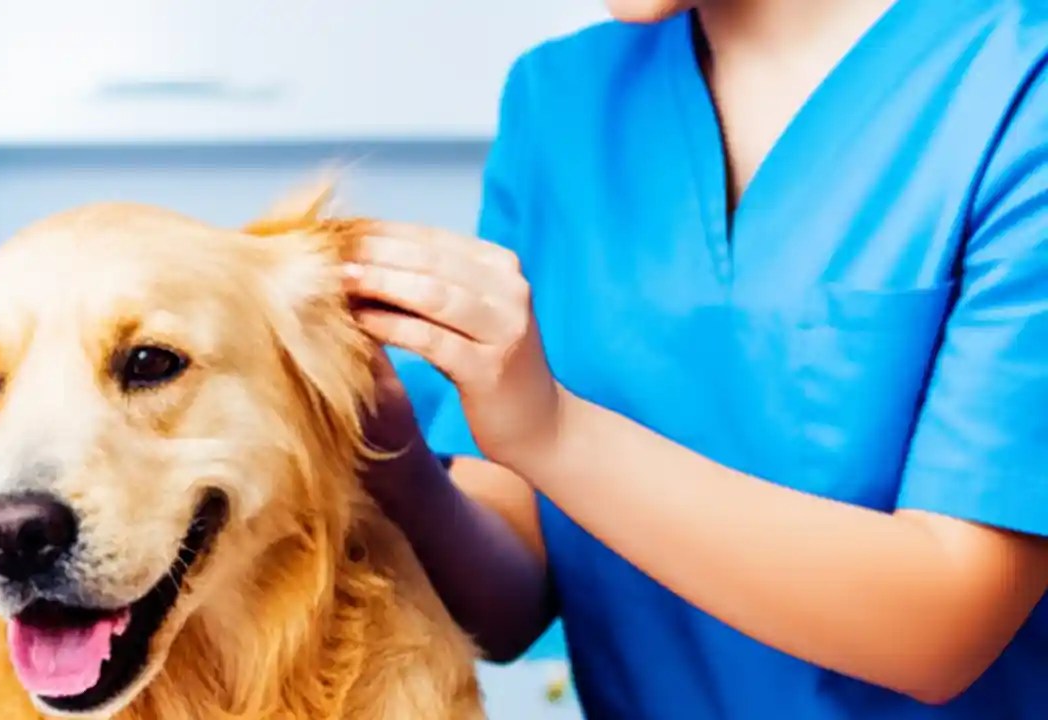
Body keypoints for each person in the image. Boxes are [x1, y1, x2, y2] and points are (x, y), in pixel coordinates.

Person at [340, 0, 1048, 718]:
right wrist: (393, 456)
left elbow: (945, 629)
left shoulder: (1020, 87)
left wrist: (553, 434)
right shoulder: (559, 99)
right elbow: (511, 599)